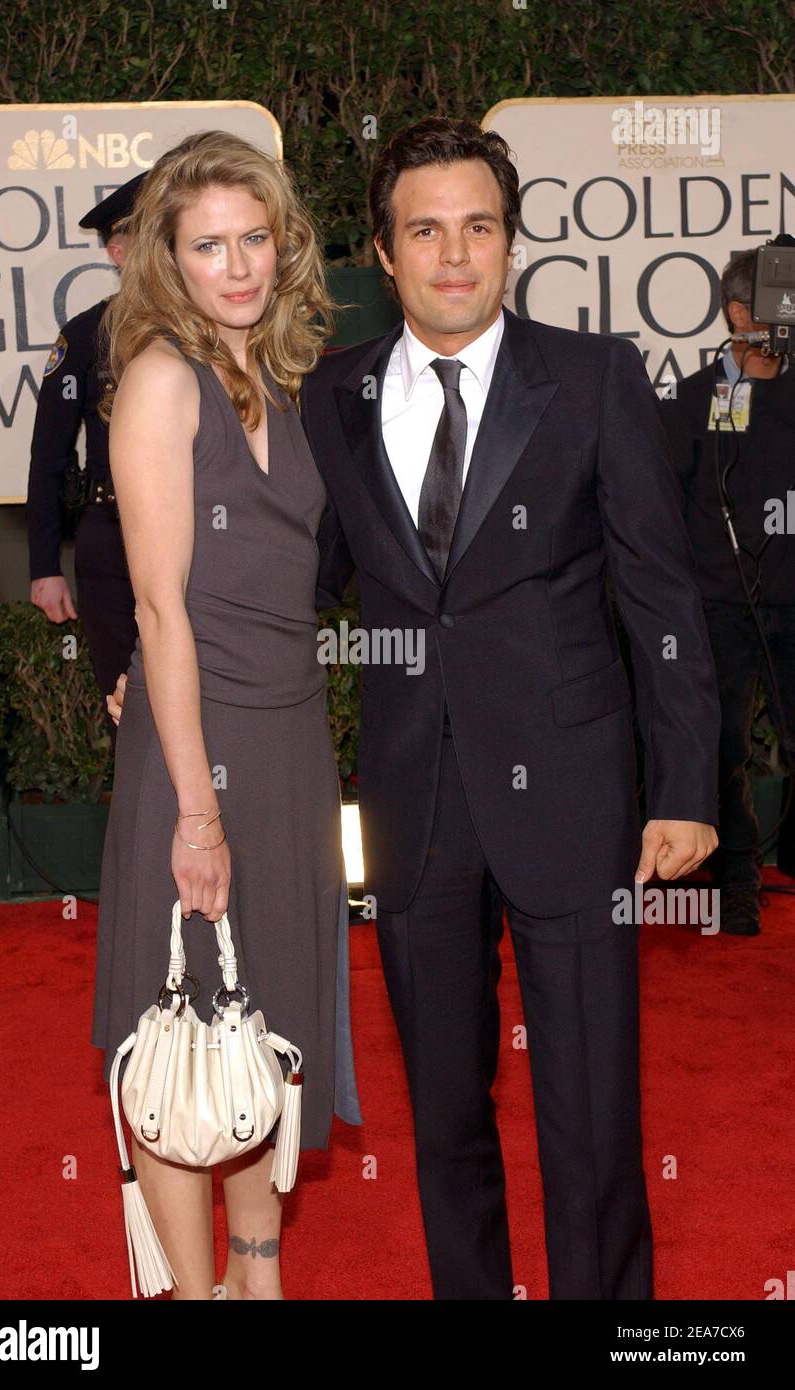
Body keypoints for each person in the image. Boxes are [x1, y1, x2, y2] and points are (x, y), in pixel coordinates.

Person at [111, 116, 720, 1301]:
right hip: (410, 806)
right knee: (443, 1116)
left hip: (576, 799)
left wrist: (688, 786)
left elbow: (661, 589)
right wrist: (135, 654)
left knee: (593, 1116)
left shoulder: (592, 377)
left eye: (478, 228)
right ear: (381, 256)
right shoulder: (327, 396)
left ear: (510, 243)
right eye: (424, 231)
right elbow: (263, 564)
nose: (454, 256)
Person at [91, 130, 361, 1302]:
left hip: (292, 736)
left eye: (254, 238)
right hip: (201, 754)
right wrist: (196, 811)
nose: (238, 265)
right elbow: (159, 605)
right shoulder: (161, 375)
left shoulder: (281, 373)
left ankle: (259, 1282)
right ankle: (190, 1298)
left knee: (266, 1023)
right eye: (209, 244)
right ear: (168, 256)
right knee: (182, 1020)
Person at [660, 247, 795, 936]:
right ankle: (737, 878)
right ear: (741, 313)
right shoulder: (690, 405)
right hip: (716, 607)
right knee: (720, 749)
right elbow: (663, 515)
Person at [26, 174, 145, 734]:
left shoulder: (214, 327)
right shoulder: (85, 334)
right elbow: (48, 456)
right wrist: (45, 566)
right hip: (112, 538)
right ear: (116, 251)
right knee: (128, 704)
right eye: (144, 235)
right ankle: (145, 823)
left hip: (208, 534)